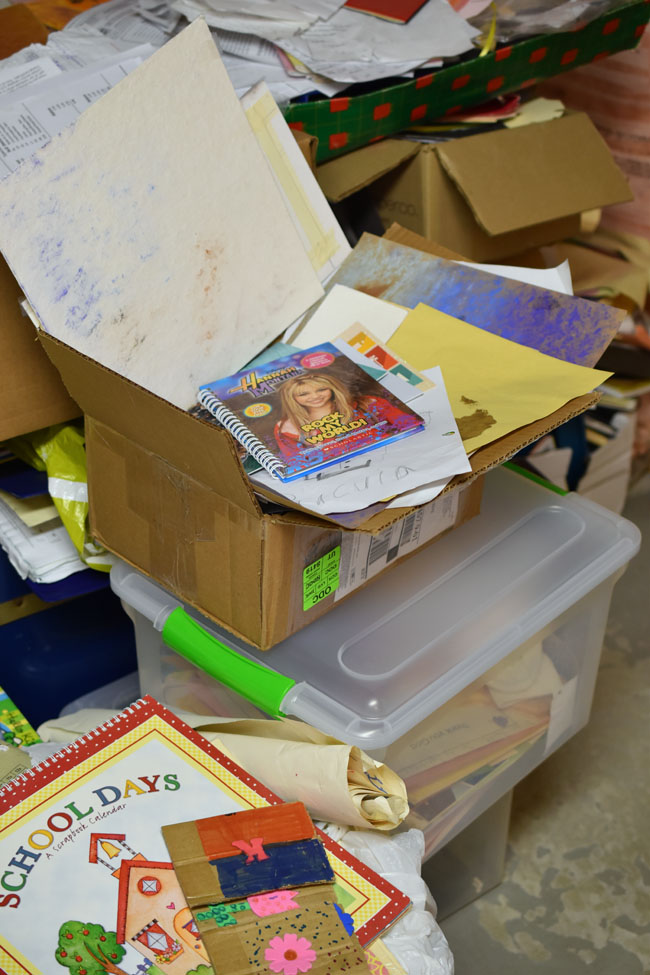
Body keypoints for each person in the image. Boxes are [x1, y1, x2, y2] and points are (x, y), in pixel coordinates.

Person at [274, 372, 416, 462]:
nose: (315, 396)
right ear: (292, 399)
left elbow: (410, 425)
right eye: (303, 394)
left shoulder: (368, 403)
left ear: (333, 389)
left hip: (395, 456)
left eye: (321, 389)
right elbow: (296, 461)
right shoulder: (287, 427)